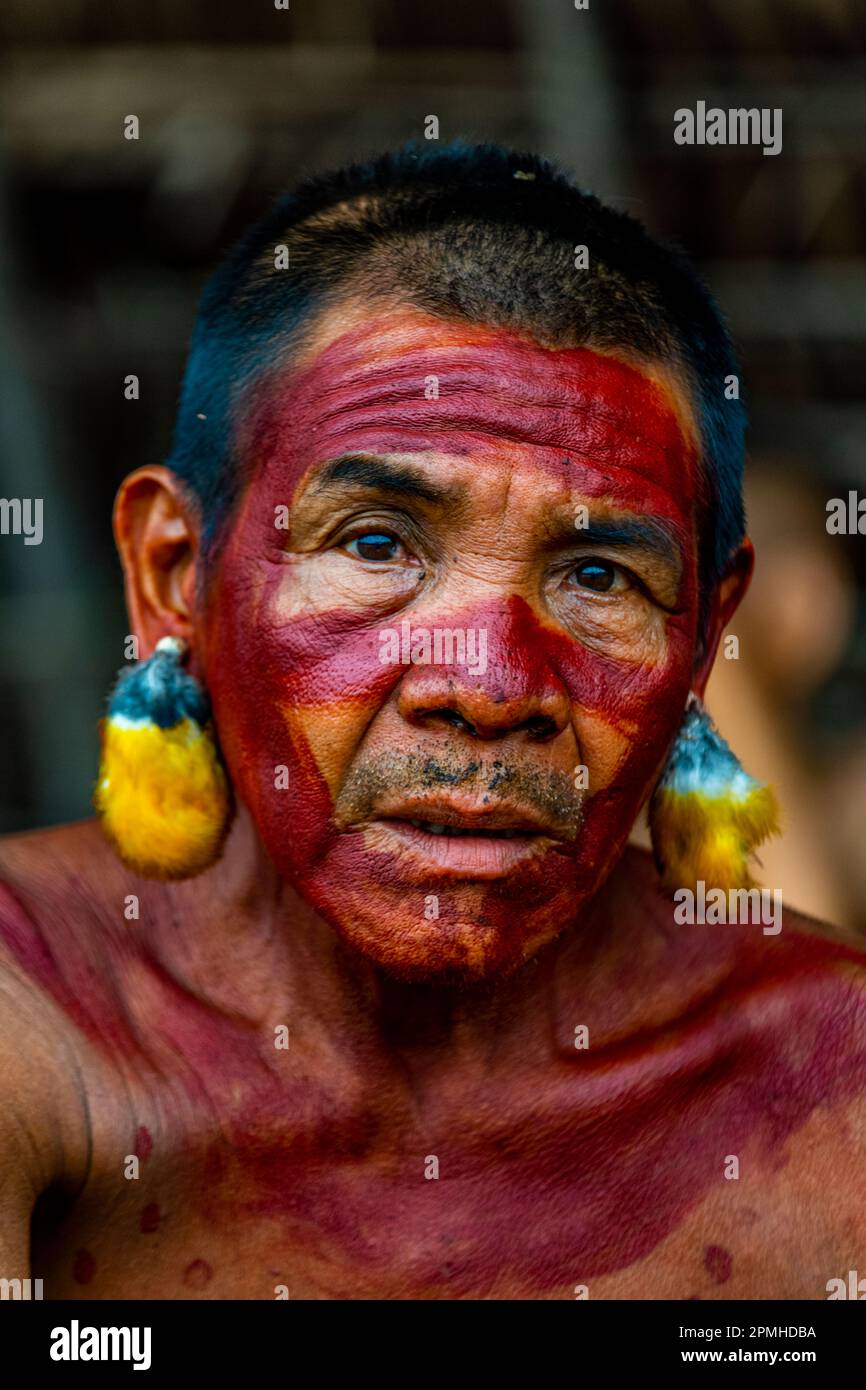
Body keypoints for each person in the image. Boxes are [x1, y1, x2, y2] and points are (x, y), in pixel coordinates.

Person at [1, 145, 863, 1301]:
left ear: (704, 642)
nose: (488, 685)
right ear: (173, 577)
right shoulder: (37, 1009)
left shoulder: (828, 1082)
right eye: (375, 544)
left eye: (598, 576)